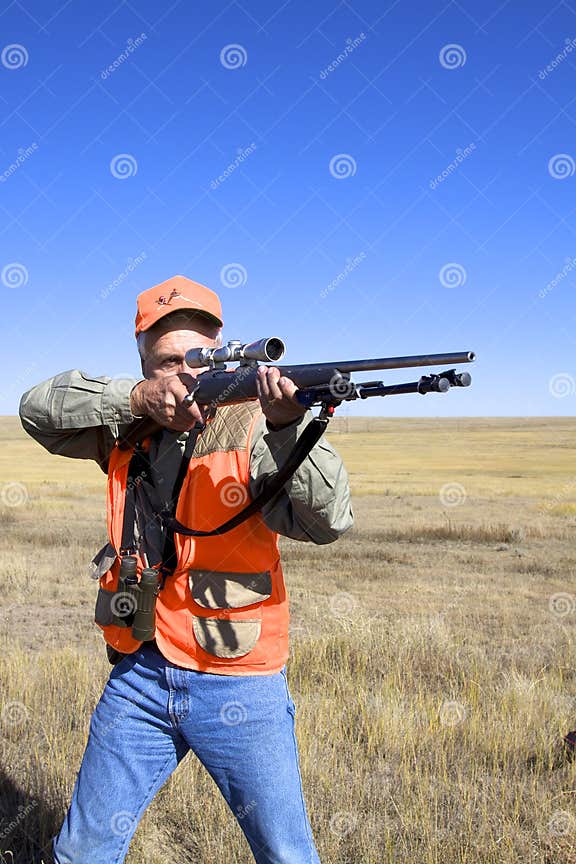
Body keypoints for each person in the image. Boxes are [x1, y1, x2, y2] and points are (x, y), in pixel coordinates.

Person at [19, 274, 354, 864]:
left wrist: (287, 427)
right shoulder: (129, 424)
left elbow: (329, 521)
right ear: (144, 363)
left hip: (239, 679)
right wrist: (135, 401)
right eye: (165, 362)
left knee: (286, 854)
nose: (181, 375)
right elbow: (37, 411)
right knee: (81, 852)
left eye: (195, 359)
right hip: (141, 671)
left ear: (224, 349)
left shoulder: (254, 426)